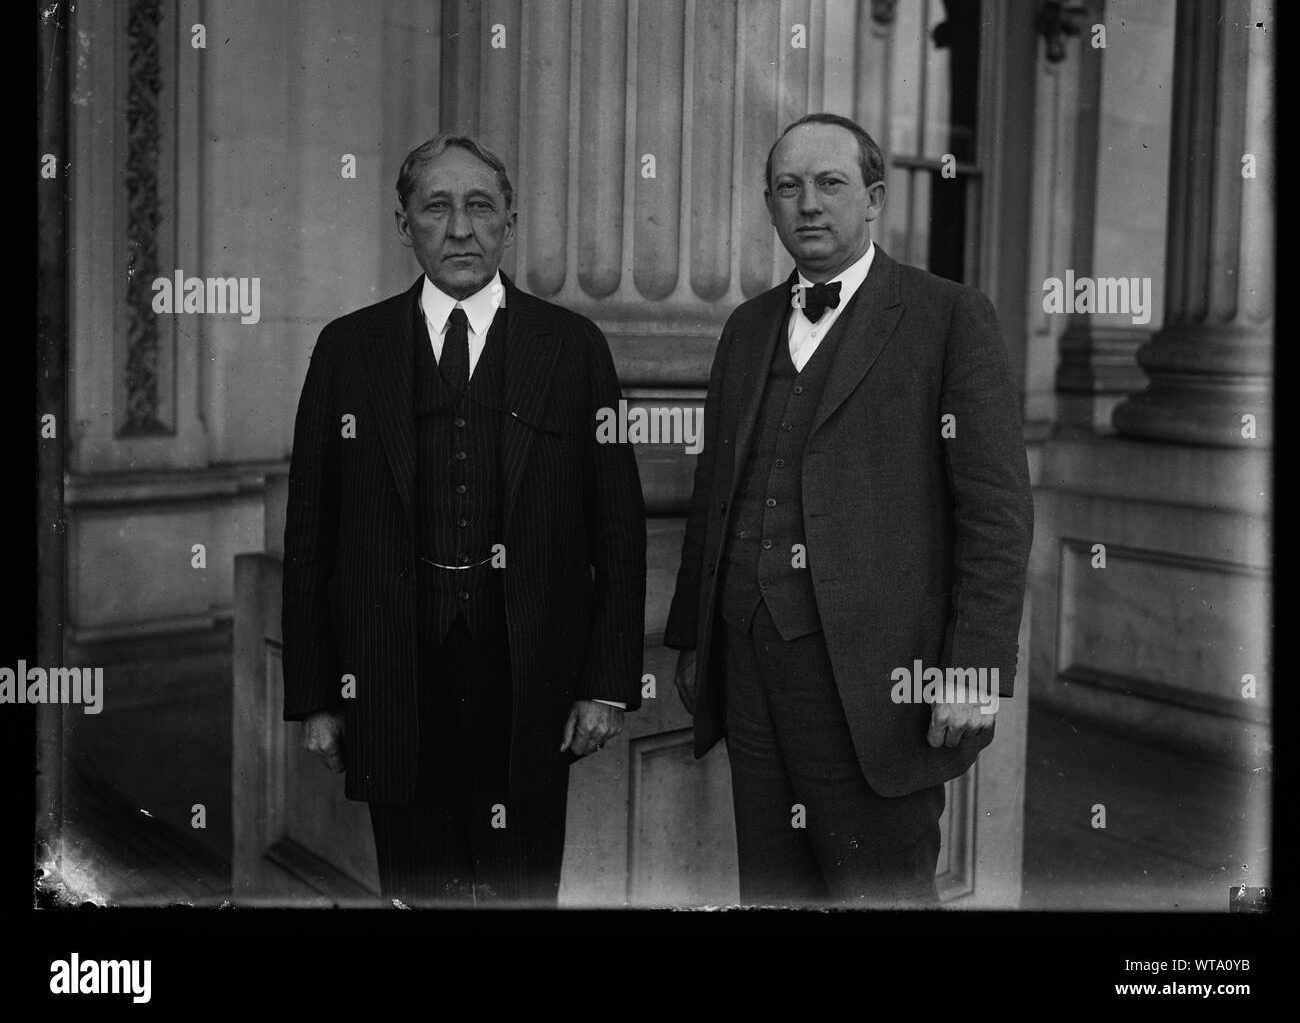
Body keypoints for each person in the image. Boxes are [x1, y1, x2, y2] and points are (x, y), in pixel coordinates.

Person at [664, 113, 1033, 907]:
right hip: (751, 664)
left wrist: (974, 664)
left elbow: (996, 512)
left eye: (830, 183)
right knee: (774, 889)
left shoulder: (948, 316)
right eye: (788, 187)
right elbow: (715, 491)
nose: (809, 204)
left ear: (873, 200)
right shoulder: (746, 326)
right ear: (768, 205)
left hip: (878, 683)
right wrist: (696, 638)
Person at [281, 132, 646, 907]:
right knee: (415, 884)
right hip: (391, 672)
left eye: (480, 206)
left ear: (509, 223)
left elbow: (619, 526)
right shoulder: (348, 348)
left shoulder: (573, 348)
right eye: (436, 207)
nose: (460, 228)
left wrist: (607, 684)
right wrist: (315, 692)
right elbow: (311, 531)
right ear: (402, 223)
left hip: (529, 675)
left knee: (520, 886)